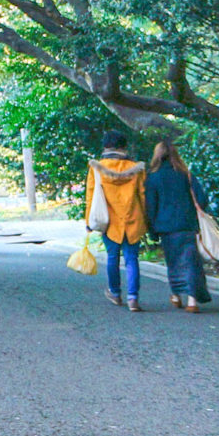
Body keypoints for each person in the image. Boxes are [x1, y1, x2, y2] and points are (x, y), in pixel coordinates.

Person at [145, 139, 214, 313]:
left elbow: (151, 206)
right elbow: (202, 199)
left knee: (173, 262)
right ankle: (192, 301)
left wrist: (152, 230)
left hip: (166, 227)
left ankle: (176, 295)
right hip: (187, 224)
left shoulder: (153, 177)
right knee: (191, 262)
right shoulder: (186, 174)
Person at [86, 129, 149, 311]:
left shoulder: (97, 168)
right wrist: (146, 218)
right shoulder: (136, 168)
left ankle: (115, 292)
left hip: (109, 221)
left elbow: (91, 195)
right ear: (124, 146)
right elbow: (143, 195)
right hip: (133, 219)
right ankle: (133, 298)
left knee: (112, 257)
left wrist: (89, 221)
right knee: (132, 259)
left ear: (106, 146)